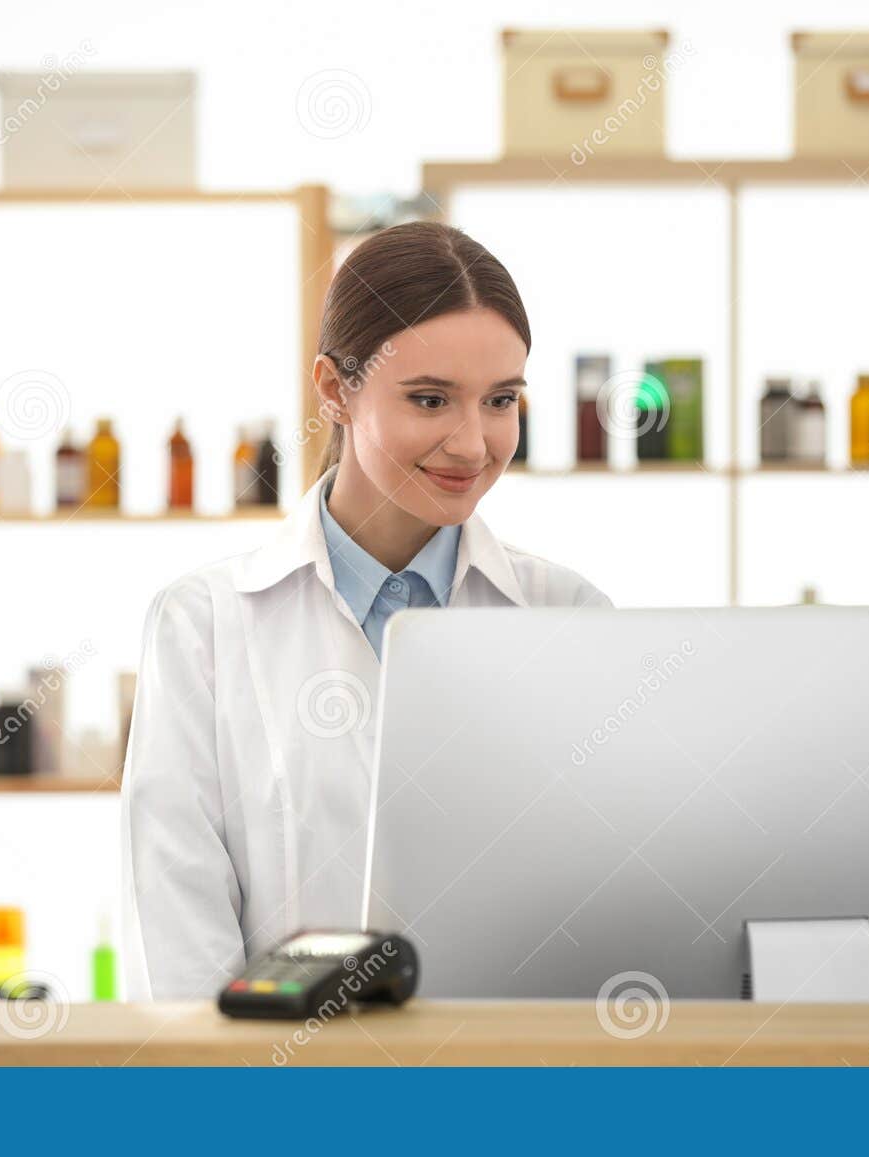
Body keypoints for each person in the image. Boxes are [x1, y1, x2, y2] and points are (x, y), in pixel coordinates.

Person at [122, 221, 613, 999]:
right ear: (333, 389)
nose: (473, 443)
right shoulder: (203, 625)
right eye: (429, 399)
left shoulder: (568, 615)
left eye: (501, 401)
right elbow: (179, 938)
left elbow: (604, 903)